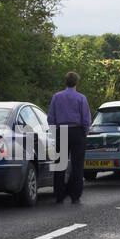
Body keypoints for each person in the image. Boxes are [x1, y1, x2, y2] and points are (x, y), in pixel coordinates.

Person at [47, 71, 91, 204]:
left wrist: (55, 131)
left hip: (62, 131)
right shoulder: (81, 98)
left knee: (60, 164)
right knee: (77, 165)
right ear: (77, 83)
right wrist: (84, 132)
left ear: (65, 82)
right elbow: (86, 119)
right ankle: (75, 196)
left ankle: (59, 195)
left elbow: (50, 117)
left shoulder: (56, 97)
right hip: (77, 131)